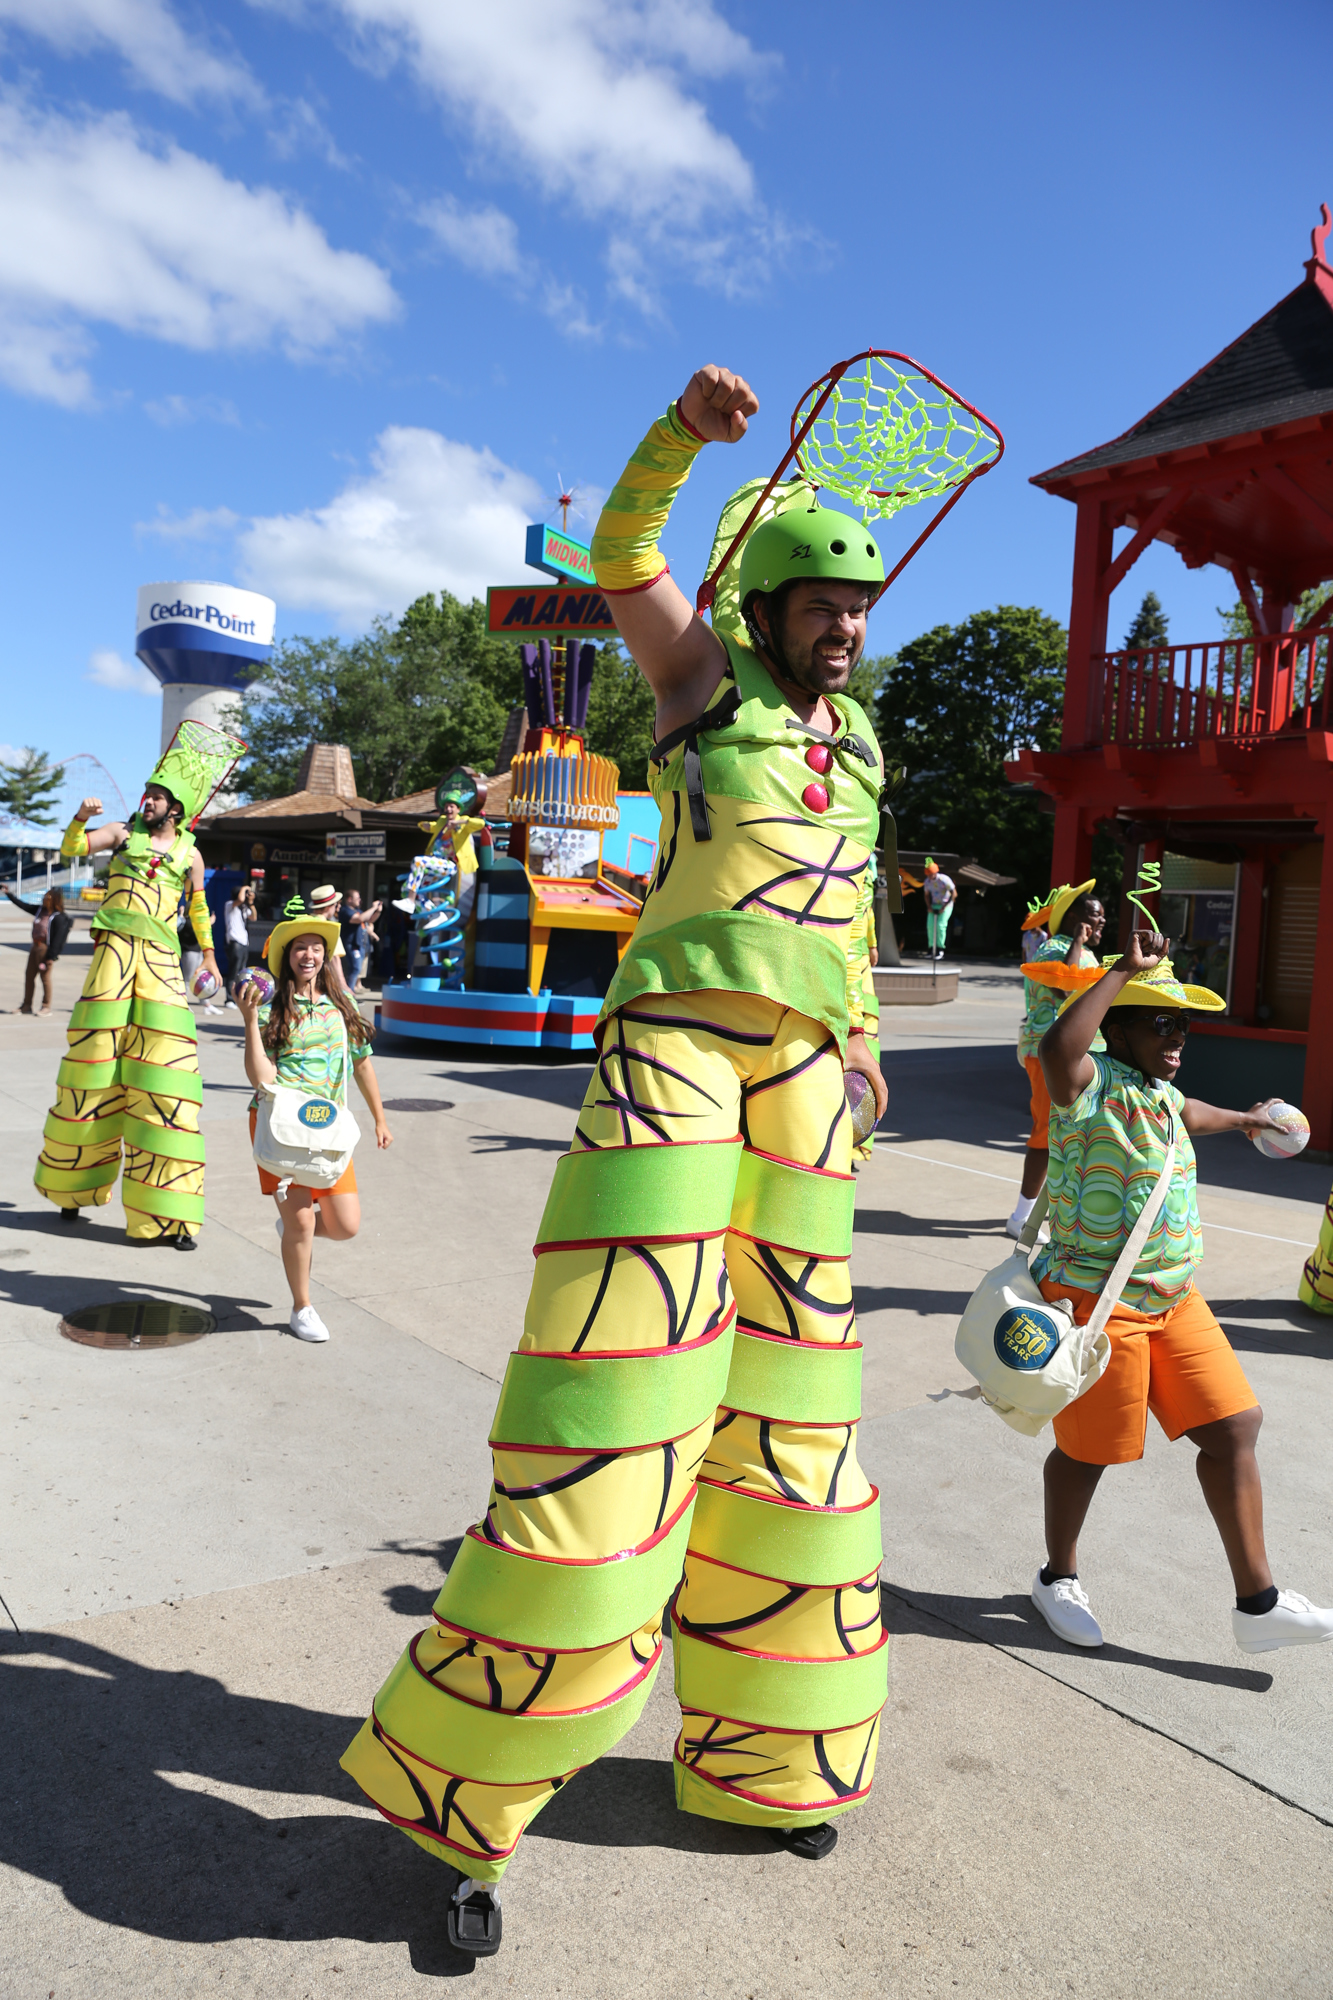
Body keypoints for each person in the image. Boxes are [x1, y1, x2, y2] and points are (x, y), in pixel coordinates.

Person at [342, 363, 892, 1958]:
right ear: (774, 604)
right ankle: (466, 1798)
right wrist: (680, 436)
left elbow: (843, 912)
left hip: (801, 1079)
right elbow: (625, 548)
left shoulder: (854, 748)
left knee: (796, 1418)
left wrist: (856, 1045)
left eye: (858, 608)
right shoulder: (701, 684)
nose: (844, 628)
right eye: (822, 603)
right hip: (672, 1058)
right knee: (616, 1413)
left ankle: (764, 1756)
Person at [1029, 929, 1333, 1656]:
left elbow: (1187, 1112)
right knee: (1089, 1452)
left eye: (1182, 1025)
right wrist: (1117, 971)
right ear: (1117, 1028)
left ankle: (1256, 1604)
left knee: (1233, 1428)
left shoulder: (1158, 1093)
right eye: (1160, 1022)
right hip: (1097, 1306)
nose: (1176, 1037)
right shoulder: (1089, 1083)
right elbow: (1054, 1053)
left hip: (1174, 1298)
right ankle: (1055, 1577)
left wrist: (1246, 1120)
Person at [34, 726, 240, 1246]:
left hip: (162, 969)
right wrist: (81, 817)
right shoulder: (122, 835)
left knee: (166, 1086)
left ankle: (170, 1215)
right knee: (91, 1075)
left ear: (177, 810)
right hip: (111, 964)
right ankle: (72, 1189)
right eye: (147, 793)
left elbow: (197, 910)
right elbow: (75, 848)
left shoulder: (191, 855)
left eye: (157, 796)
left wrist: (211, 958)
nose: (147, 800)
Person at [237, 897, 392, 1343]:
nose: (309, 954)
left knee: (345, 1226)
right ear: (287, 956)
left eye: (316, 947)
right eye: (299, 947)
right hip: (280, 1127)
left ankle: (292, 1229)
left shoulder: (341, 1007)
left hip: (327, 1127)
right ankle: (302, 1307)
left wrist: (380, 1119)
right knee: (304, 1220)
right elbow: (261, 1080)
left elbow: (362, 1064)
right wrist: (250, 1022)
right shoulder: (270, 1007)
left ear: (326, 955)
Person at [1008, 882, 1105, 1239]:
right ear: (1076, 919)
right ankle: (1021, 1216)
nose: (1102, 922)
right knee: (1045, 1134)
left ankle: (1055, 1212)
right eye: (1096, 915)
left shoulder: (1085, 953)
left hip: (1080, 1056)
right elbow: (1066, 986)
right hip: (1049, 1054)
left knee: (1073, 1134)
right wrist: (1078, 941)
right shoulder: (1052, 947)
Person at [8, 886, 71, 1014]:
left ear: (54, 900)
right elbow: (22, 905)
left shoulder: (58, 917)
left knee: (45, 978)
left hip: (45, 949)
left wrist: (51, 956)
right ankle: (26, 1005)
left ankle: (46, 1006)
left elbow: (58, 939)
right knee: (29, 976)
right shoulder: (40, 911)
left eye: (48, 897)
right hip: (35, 947)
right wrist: (8, 894)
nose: (44, 899)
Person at [223, 884, 255, 1003]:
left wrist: (251, 903)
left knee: (242, 972)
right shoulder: (230, 905)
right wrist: (246, 887)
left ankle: (239, 997)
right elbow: (240, 899)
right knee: (233, 971)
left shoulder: (244, 908)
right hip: (234, 942)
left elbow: (254, 917)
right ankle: (229, 999)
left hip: (244, 942)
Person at [922, 857, 956, 959]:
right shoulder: (927, 882)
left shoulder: (944, 879)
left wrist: (944, 907)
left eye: (932, 873)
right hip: (934, 905)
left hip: (946, 904)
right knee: (930, 926)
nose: (930, 876)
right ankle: (931, 948)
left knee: (941, 926)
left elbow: (954, 893)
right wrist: (929, 907)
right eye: (929, 874)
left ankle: (940, 949)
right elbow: (926, 895)